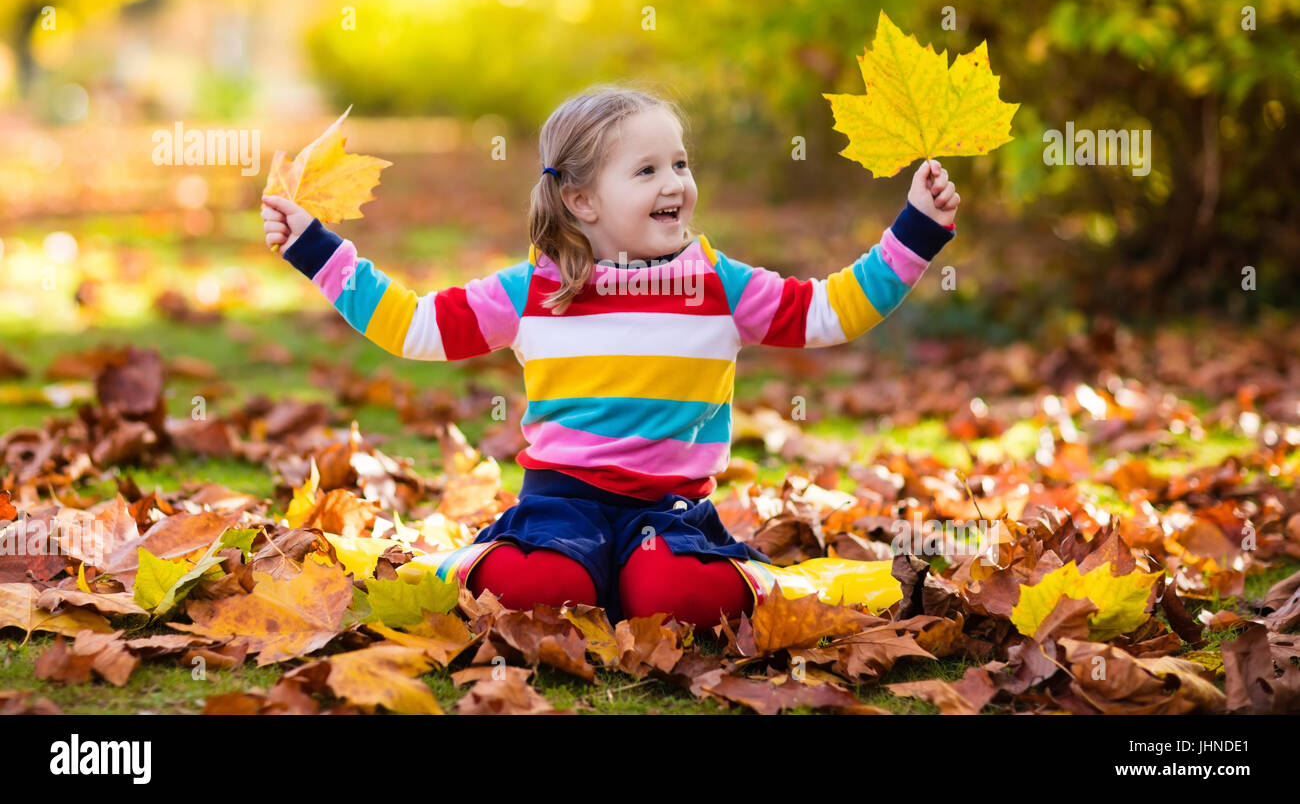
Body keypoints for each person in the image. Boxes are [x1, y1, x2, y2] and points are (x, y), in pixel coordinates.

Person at [261, 84, 958, 627]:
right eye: (648, 169)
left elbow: (829, 312)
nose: (675, 183)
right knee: (541, 588)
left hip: (672, 512)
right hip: (563, 503)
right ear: (582, 200)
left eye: (680, 164)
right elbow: (415, 327)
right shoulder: (535, 289)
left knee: (677, 596)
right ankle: (500, 569)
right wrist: (316, 250)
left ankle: (675, 580)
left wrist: (916, 232)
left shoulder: (721, 285)